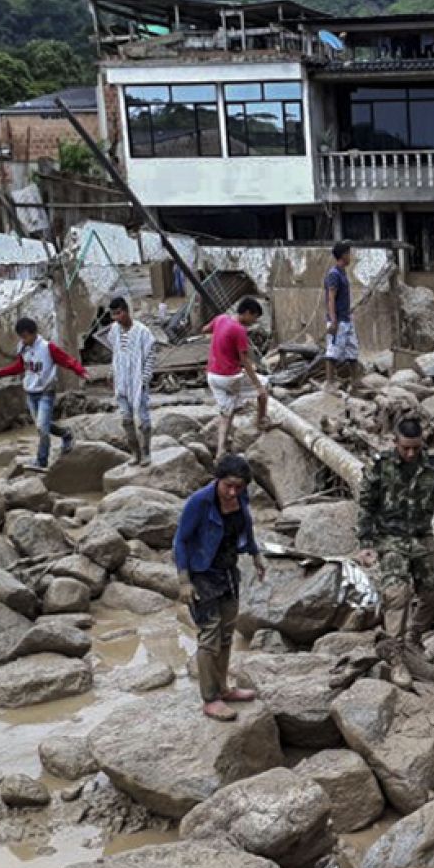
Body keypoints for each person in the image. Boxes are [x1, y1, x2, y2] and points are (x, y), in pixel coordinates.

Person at [354, 418, 434, 654]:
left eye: (415, 448)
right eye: (405, 447)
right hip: (390, 537)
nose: (410, 453)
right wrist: (365, 543)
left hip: (422, 536)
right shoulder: (380, 465)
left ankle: (413, 635)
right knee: (397, 594)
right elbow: (366, 505)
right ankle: (394, 652)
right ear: (395, 442)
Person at [174, 454, 265, 721]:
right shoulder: (199, 502)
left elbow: (246, 524)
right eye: (228, 486)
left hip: (227, 571)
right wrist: (183, 581)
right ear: (217, 481)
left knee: (227, 633)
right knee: (209, 636)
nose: (232, 492)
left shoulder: (240, 497)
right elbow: (180, 540)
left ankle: (224, 688)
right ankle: (210, 699)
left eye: (239, 487)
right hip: (201, 573)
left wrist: (255, 554)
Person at [0, 317, 87, 471]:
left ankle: (42, 460)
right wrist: (1, 373)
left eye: (25, 336)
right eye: (21, 337)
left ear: (34, 333)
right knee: (43, 426)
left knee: (42, 427)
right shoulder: (22, 347)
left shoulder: (47, 348)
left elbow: (66, 360)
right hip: (31, 392)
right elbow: (20, 366)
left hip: (46, 392)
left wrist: (80, 371)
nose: (24, 340)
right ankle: (66, 434)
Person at [205, 297, 269, 459]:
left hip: (212, 376)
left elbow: (205, 329)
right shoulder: (239, 330)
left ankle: (221, 451)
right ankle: (262, 421)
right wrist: (258, 386)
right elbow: (245, 360)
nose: (253, 322)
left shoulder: (221, 319)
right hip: (228, 378)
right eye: (254, 317)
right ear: (247, 313)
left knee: (226, 414)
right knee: (265, 384)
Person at [106, 297, 157, 466]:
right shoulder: (114, 331)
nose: (117, 318)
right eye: (114, 315)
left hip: (138, 380)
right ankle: (135, 453)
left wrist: (145, 378)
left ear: (126, 311)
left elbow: (150, 356)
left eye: (119, 313)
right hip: (121, 380)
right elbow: (116, 353)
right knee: (126, 419)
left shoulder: (143, 332)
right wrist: (112, 372)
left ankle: (146, 452)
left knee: (143, 418)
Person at [324, 242, 359, 390]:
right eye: (349, 253)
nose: (350, 256)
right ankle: (329, 382)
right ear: (343, 255)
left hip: (346, 318)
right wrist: (333, 320)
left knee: (353, 349)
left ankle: (356, 380)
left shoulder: (342, 273)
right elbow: (331, 298)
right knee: (333, 351)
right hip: (337, 320)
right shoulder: (334, 274)